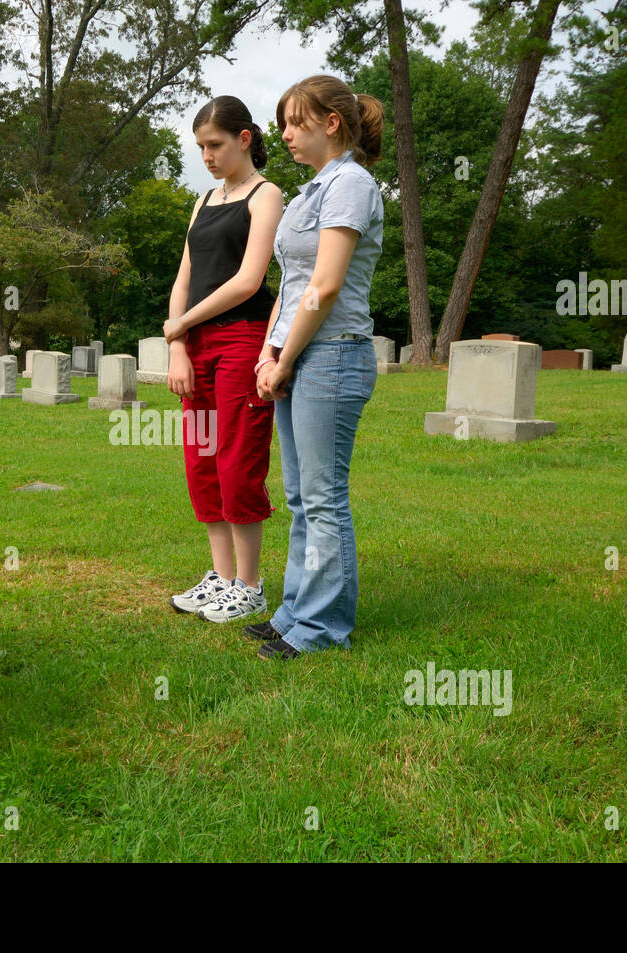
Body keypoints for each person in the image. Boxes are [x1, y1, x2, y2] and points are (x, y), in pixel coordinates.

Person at [248, 75, 385, 660]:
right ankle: (294, 613)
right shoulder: (309, 192)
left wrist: (289, 356)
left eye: (293, 123)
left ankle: (322, 627)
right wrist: (268, 352)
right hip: (297, 354)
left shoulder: (351, 184)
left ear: (331, 122)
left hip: (332, 356)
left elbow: (325, 287)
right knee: (301, 497)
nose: (283, 136)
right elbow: (292, 283)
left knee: (324, 497)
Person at [163, 96, 284, 624]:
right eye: (200, 148)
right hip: (196, 344)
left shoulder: (267, 195)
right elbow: (184, 277)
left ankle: (250, 585)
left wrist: (183, 325)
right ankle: (221, 577)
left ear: (245, 138)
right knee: (203, 460)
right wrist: (177, 345)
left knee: (237, 460)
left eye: (215, 145)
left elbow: (249, 280)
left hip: (241, 338)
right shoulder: (203, 200)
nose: (207, 156)